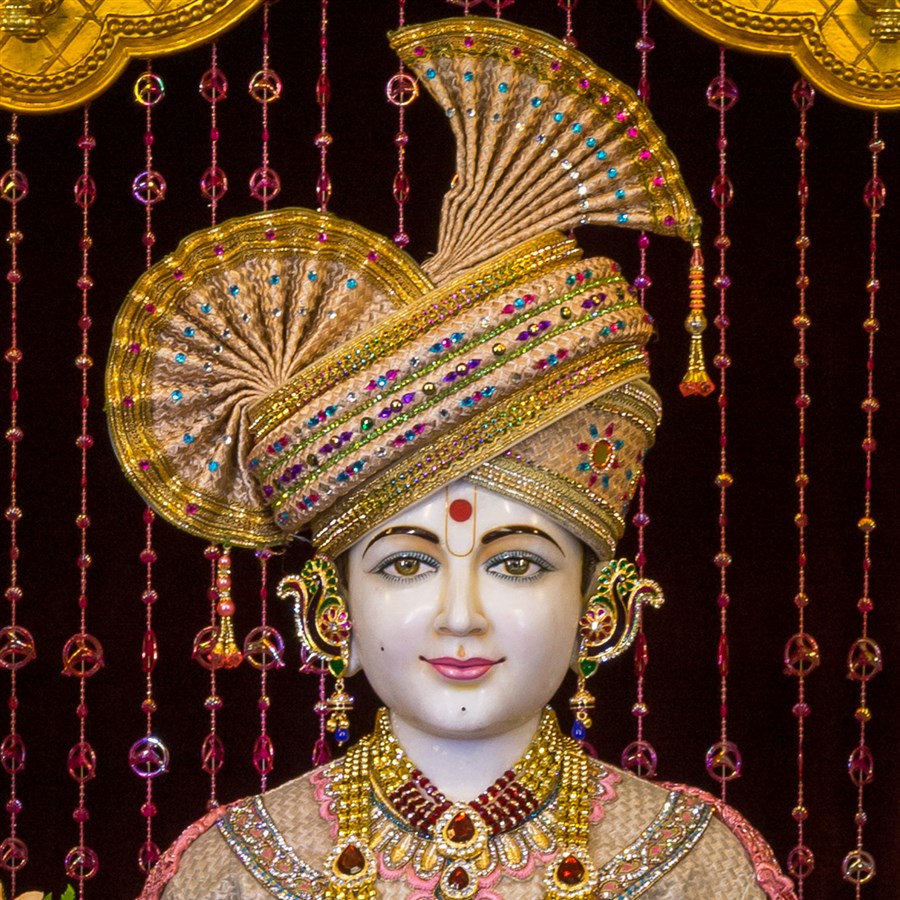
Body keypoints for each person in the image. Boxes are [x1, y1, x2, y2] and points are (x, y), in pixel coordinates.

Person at [106, 14, 796, 900]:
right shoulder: (232, 871)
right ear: (328, 612)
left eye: (515, 563)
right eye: (404, 563)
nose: (461, 616)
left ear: (601, 607)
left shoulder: (697, 865)